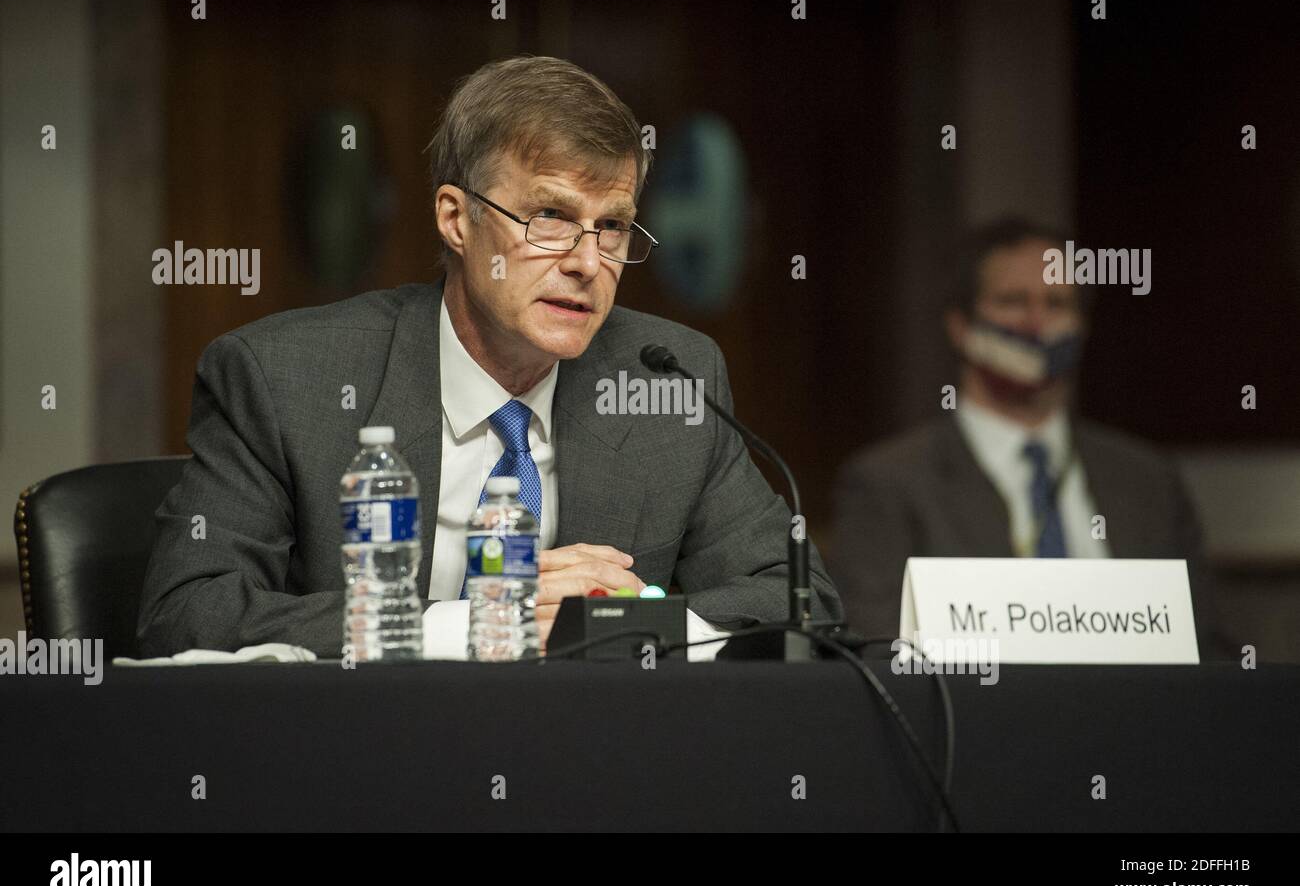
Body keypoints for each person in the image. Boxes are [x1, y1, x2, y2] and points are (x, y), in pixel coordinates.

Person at [137, 55, 840, 658]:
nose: (588, 263)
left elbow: (800, 601)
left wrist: (625, 620)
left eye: (614, 227)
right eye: (551, 218)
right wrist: (474, 626)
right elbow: (186, 615)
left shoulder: (666, 380)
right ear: (455, 218)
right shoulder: (285, 379)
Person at [829, 217, 1218, 655]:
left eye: (1057, 304)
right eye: (1013, 301)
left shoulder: (1147, 480)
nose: (1037, 323)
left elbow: (1202, 645)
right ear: (961, 326)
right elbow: (877, 651)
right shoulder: (889, 484)